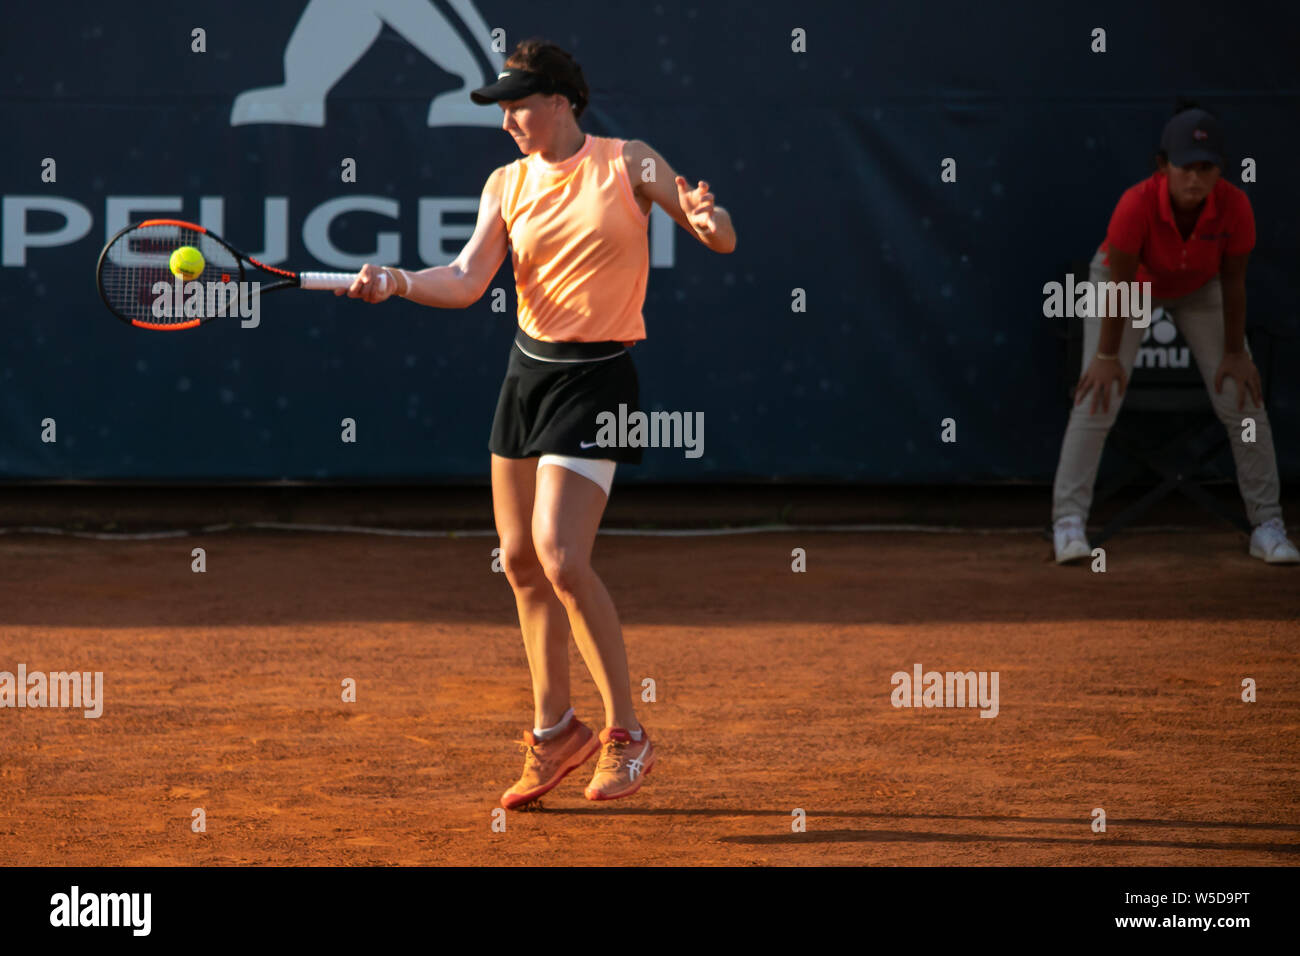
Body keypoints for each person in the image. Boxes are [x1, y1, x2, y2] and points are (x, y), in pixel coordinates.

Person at [340, 38, 737, 804]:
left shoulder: (630, 162)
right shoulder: (506, 183)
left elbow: (716, 236)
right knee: (519, 560)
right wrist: (395, 280)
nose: (508, 121)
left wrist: (705, 218)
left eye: (519, 105)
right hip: (527, 379)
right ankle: (556, 731)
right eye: (501, 109)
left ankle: (627, 733)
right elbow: (462, 281)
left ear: (562, 101)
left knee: (560, 555)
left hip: (601, 382)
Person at [1050, 102, 1298, 565]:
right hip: (1130, 284)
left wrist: (1234, 351)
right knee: (1096, 394)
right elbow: (1121, 283)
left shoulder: (1236, 206)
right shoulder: (1135, 204)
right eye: (1185, 166)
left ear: (1220, 170)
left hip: (1201, 289)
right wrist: (1105, 359)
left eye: (1207, 168)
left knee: (1242, 398)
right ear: (1163, 166)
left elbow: (1235, 281)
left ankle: (1267, 525)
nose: (1195, 179)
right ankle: (1068, 523)